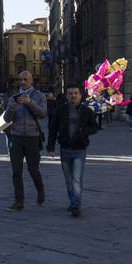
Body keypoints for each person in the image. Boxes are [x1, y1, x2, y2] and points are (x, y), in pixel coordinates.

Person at [47, 83, 98, 217]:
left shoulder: (87, 112)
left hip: (80, 150)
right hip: (65, 149)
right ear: (66, 96)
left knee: (76, 179)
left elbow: (94, 127)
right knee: (68, 180)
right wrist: (50, 147)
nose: (73, 96)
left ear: (80, 95)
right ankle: (73, 201)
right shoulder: (60, 111)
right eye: (70, 93)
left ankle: (76, 205)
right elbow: (52, 129)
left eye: (76, 93)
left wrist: (83, 132)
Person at [2, 70, 47, 210]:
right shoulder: (13, 98)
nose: (22, 82)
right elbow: (6, 119)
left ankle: (40, 189)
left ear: (31, 81)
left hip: (32, 138)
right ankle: (19, 200)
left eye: (25, 79)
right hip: (16, 137)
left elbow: (43, 113)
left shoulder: (39, 96)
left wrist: (30, 102)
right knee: (16, 171)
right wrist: (11, 108)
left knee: (33, 169)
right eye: (20, 80)